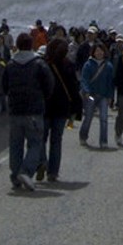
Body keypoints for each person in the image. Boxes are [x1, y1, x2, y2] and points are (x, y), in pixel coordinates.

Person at [3, 32, 53, 191]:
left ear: (17, 45)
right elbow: (49, 85)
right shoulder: (39, 64)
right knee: (35, 143)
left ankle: (15, 176)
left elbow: (4, 86)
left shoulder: (10, 64)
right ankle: (26, 171)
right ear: (31, 45)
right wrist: (42, 97)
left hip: (15, 111)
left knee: (15, 145)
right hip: (34, 110)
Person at [39, 37, 83, 182]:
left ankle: (42, 161)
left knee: (40, 138)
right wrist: (76, 109)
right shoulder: (68, 65)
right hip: (61, 108)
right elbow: (73, 88)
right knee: (56, 140)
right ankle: (53, 172)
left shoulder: (43, 64)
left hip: (45, 107)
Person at [79, 42, 115, 149]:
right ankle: (83, 136)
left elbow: (110, 83)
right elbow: (84, 80)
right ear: (93, 52)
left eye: (101, 51)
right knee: (88, 117)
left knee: (104, 118)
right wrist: (86, 91)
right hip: (91, 95)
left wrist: (110, 96)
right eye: (97, 51)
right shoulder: (88, 65)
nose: (99, 53)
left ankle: (103, 141)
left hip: (103, 95)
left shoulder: (108, 66)